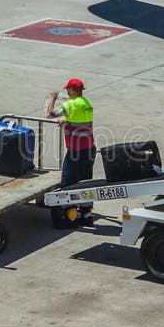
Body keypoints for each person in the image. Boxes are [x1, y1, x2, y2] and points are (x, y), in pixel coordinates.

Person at [47, 78, 96, 226]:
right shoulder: (87, 104)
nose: (67, 92)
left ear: (73, 90)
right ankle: (87, 214)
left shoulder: (71, 104)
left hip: (75, 150)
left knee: (68, 182)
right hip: (89, 149)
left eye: (68, 90)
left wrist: (53, 98)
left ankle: (69, 214)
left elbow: (50, 114)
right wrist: (66, 120)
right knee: (86, 182)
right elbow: (80, 120)